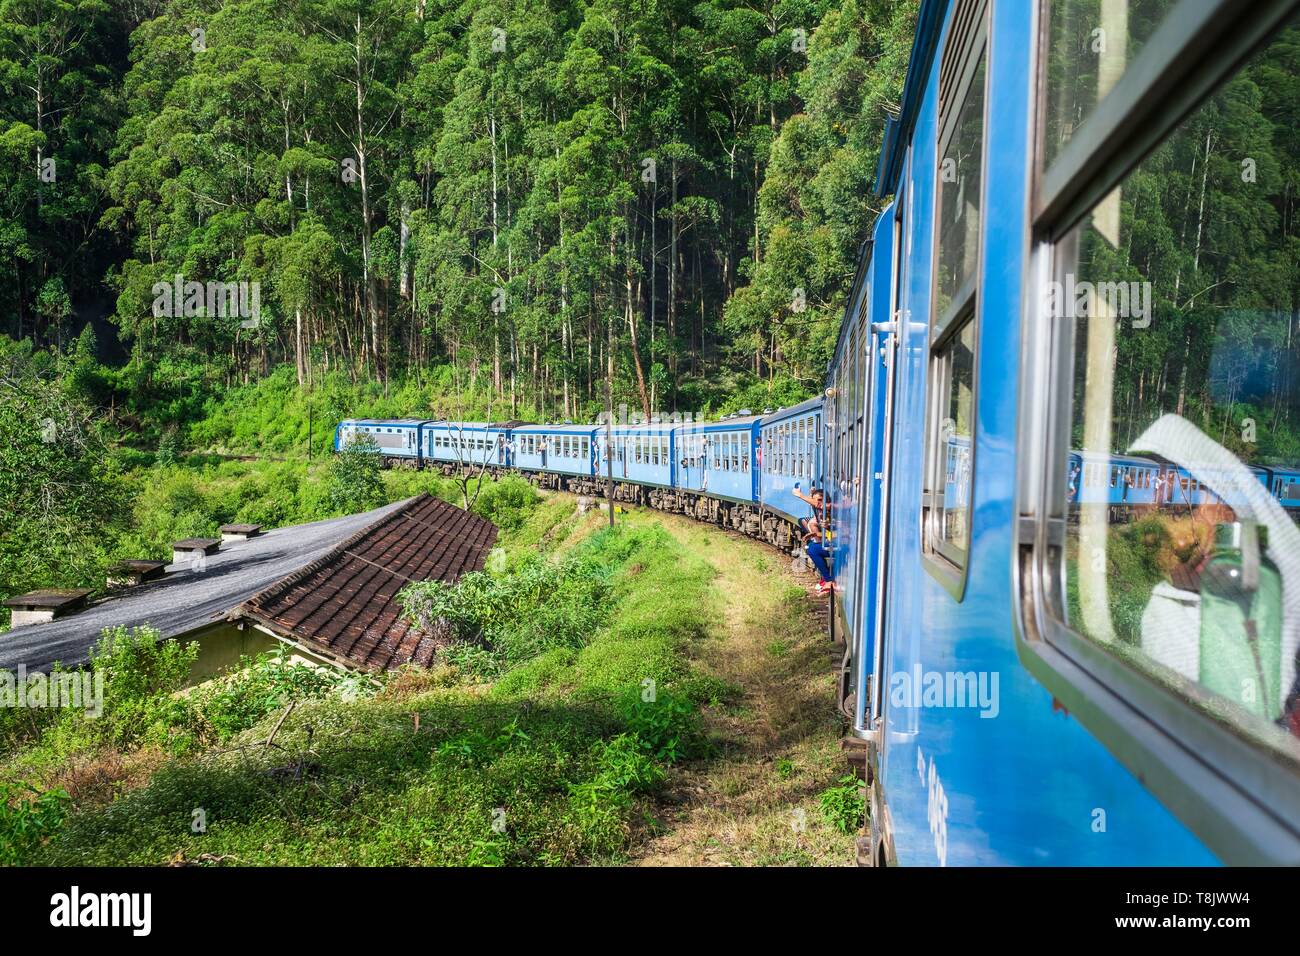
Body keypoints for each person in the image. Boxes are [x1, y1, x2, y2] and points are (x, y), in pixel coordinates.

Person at [793, 484, 837, 595]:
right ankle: (826, 579)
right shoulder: (823, 512)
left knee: (813, 549)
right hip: (834, 542)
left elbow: (840, 533)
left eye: (820, 500)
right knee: (812, 545)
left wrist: (800, 495)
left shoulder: (834, 509)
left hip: (841, 544)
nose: (818, 504)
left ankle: (828, 580)